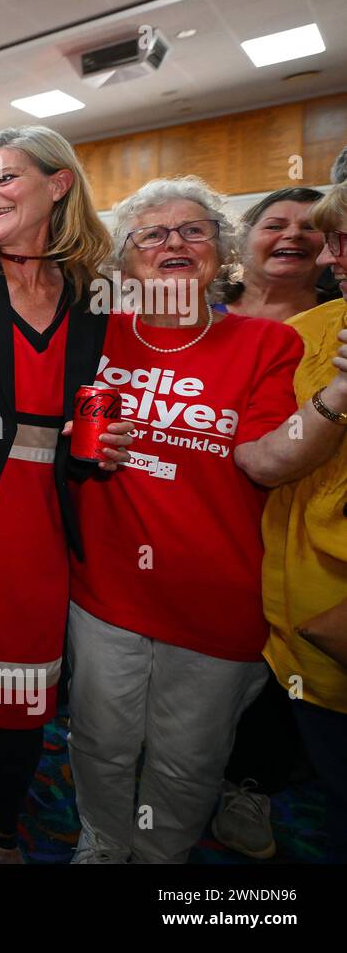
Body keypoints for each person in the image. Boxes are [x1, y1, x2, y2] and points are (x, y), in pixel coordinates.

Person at [68, 175, 347, 864]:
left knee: (187, 757)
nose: (174, 243)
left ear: (221, 254)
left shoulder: (264, 345)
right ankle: (100, 845)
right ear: (125, 261)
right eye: (152, 233)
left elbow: (264, 461)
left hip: (216, 597)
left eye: (194, 231)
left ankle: (162, 858)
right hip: (107, 588)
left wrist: (339, 394)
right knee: (100, 740)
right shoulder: (94, 337)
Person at [0, 125, 129, 864]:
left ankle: (2, 830)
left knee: (22, 703)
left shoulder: (94, 295)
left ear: (60, 185)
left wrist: (103, 448)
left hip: (48, 527)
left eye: (4, 178)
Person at [259, 181, 347, 862]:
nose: (336, 256)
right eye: (338, 238)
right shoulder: (306, 337)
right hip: (311, 622)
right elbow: (267, 463)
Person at [222, 188, 328, 322]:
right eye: (275, 227)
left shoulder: (341, 317)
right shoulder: (198, 306)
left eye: (310, 227)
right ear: (241, 241)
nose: (294, 234)